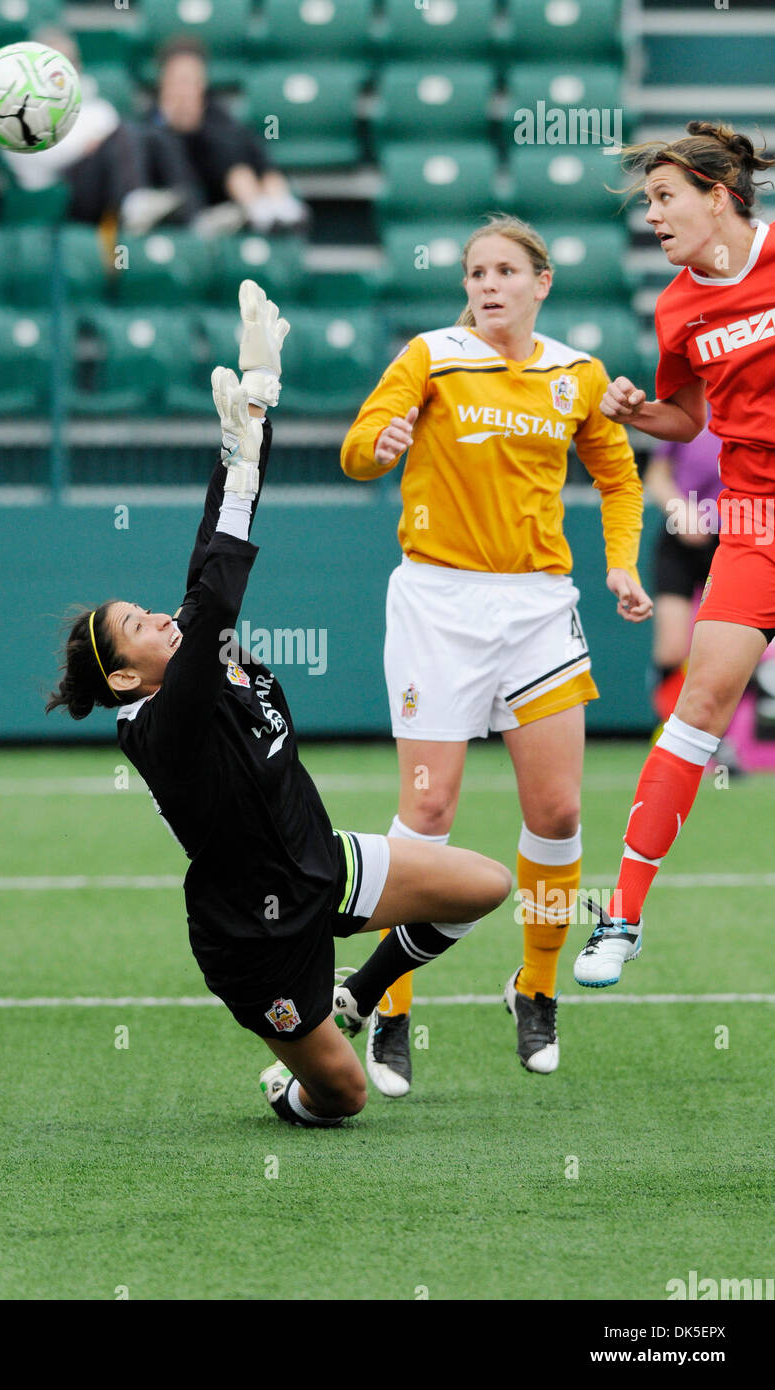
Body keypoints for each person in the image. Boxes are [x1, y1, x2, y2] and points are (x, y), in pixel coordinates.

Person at [45, 281, 511, 1127]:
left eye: (145, 608)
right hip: (251, 936)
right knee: (343, 1099)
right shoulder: (161, 717)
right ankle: (297, 1085)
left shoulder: (183, 652)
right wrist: (245, 450)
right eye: (133, 626)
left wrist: (256, 408)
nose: (156, 615)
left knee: (485, 885)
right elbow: (222, 580)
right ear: (122, 677)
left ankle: (360, 997)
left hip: (319, 864)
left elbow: (214, 545)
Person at [341, 215, 651, 1090]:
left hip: (538, 607)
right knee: (429, 817)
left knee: (555, 812)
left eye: (506, 270)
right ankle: (391, 1007)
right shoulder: (429, 355)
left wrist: (621, 565)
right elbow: (357, 451)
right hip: (438, 602)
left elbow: (620, 477)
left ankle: (536, 988)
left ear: (541, 282)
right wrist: (382, 445)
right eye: (476, 271)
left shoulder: (575, 375)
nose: (488, 284)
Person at [572, 121, 775, 987]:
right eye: (647, 202)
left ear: (719, 196)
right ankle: (620, 915)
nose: (651, 217)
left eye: (664, 198)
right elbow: (686, 416)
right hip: (755, 523)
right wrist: (635, 410)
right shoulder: (677, 307)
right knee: (698, 701)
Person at [0, 27, 190, 235]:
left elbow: (115, 140)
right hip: (64, 200)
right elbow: (41, 156)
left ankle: (190, 213)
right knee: (124, 134)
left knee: (155, 135)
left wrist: (95, 144)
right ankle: (134, 203)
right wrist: (89, 145)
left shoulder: (97, 108)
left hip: (106, 194)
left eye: (70, 62)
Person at [145, 36, 308, 236]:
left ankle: (277, 205)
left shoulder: (218, 117)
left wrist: (198, 126)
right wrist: (171, 127)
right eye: (180, 79)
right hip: (181, 209)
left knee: (241, 159)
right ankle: (260, 209)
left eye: (192, 80)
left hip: (225, 201)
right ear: (164, 81)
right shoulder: (150, 123)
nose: (185, 89)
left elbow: (252, 152)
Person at [642, 408, 722, 730]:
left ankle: (718, 736)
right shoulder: (693, 410)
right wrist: (681, 510)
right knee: (672, 649)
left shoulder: (758, 412)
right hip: (680, 539)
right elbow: (657, 475)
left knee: (721, 652)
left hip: (733, 542)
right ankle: (671, 729)